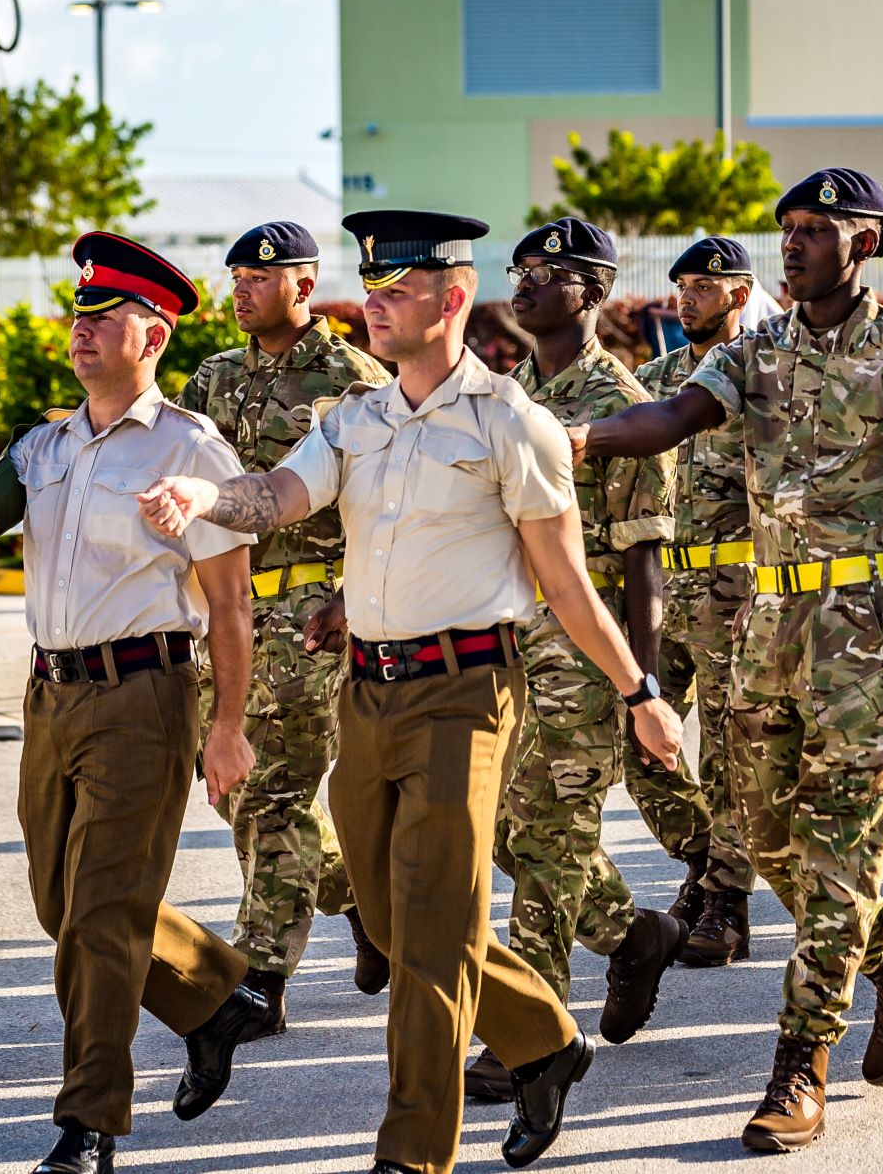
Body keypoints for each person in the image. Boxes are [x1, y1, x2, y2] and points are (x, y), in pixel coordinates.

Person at [133, 208, 686, 1174]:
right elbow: (277, 496)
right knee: (391, 917)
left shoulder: (514, 421)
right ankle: (546, 1040)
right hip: (367, 694)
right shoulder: (355, 417)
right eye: (371, 287)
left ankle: (411, 1151)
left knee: (429, 940)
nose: (375, 305)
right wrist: (202, 498)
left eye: (396, 290)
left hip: (465, 693)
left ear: (453, 298)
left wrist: (638, 689)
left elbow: (565, 580)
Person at [0, 231, 267, 1174]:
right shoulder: (44, 445)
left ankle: (89, 1120)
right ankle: (212, 996)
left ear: (151, 336)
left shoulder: (193, 448)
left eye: (104, 317)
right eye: (79, 314)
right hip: (50, 697)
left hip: (146, 694)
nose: (81, 330)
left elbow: (231, 606)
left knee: (102, 916)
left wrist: (226, 728)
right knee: (59, 901)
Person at [575, 167, 883, 1154]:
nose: (792, 242)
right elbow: (668, 418)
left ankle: (800, 1063)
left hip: (863, 629)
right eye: (786, 228)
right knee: (770, 844)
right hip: (764, 627)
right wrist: (579, 435)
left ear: (865, 243)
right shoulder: (755, 353)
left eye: (815, 229)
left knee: (838, 856)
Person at [467, 217, 692, 1103]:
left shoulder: (623, 405)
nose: (523, 282)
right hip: (502, 642)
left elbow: (644, 561)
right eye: (519, 268)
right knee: (494, 829)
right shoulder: (503, 394)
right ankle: (633, 932)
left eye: (549, 270)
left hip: (582, 651)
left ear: (593, 293)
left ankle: (532, 1026)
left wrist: (641, 687)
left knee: (556, 834)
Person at [176, 221, 392, 1032]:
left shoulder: (353, 377)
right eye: (235, 277)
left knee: (272, 793)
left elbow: (381, 502)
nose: (240, 289)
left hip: (310, 617)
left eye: (258, 278)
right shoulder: (213, 377)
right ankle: (363, 906)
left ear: (302, 286)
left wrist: (352, 595)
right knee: (239, 795)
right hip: (225, 614)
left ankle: (258, 973)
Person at [634, 237, 763, 969]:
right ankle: (703, 859)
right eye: (681, 285)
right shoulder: (652, 381)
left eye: (703, 287)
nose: (686, 297)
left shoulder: (757, 384)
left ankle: (727, 904)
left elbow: (781, 495)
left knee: (726, 757)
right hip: (659, 592)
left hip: (733, 591)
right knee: (639, 746)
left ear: (738, 295)